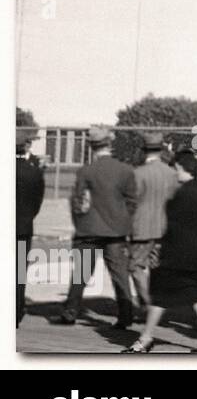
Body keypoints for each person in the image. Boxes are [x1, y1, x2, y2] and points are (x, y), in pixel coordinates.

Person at [123, 151, 197, 354]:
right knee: (194, 292)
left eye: (175, 170)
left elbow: (172, 227)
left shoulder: (182, 194)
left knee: (160, 295)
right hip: (195, 253)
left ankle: (146, 337)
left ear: (180, 169)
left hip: (177, 254)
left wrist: (161, 248)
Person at [60, 127, 137, 328]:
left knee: (81, 274)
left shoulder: (86, 171)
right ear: (109, 145)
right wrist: (122, 220)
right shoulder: (125, 170)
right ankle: (126, 315)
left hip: (89, 230)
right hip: (116, 232)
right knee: (120, 275)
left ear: (92, 147)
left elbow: (78, 201)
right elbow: (132, 201)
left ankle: (70, 311)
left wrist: (80, 224)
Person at [127, 133, 179, 317]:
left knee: (136, 266)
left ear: (144, 151)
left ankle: (147, 302)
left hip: (142, 227)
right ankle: (158, 302)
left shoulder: (138, 173)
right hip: (164, 227)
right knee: (156, 267)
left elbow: (132, 202)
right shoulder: (172, 174)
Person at [17, 137, 45, 325]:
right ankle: (16, 310)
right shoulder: (34, 173)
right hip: (23, 226)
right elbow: (38, 201)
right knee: (19, 271)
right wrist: (28, 217)